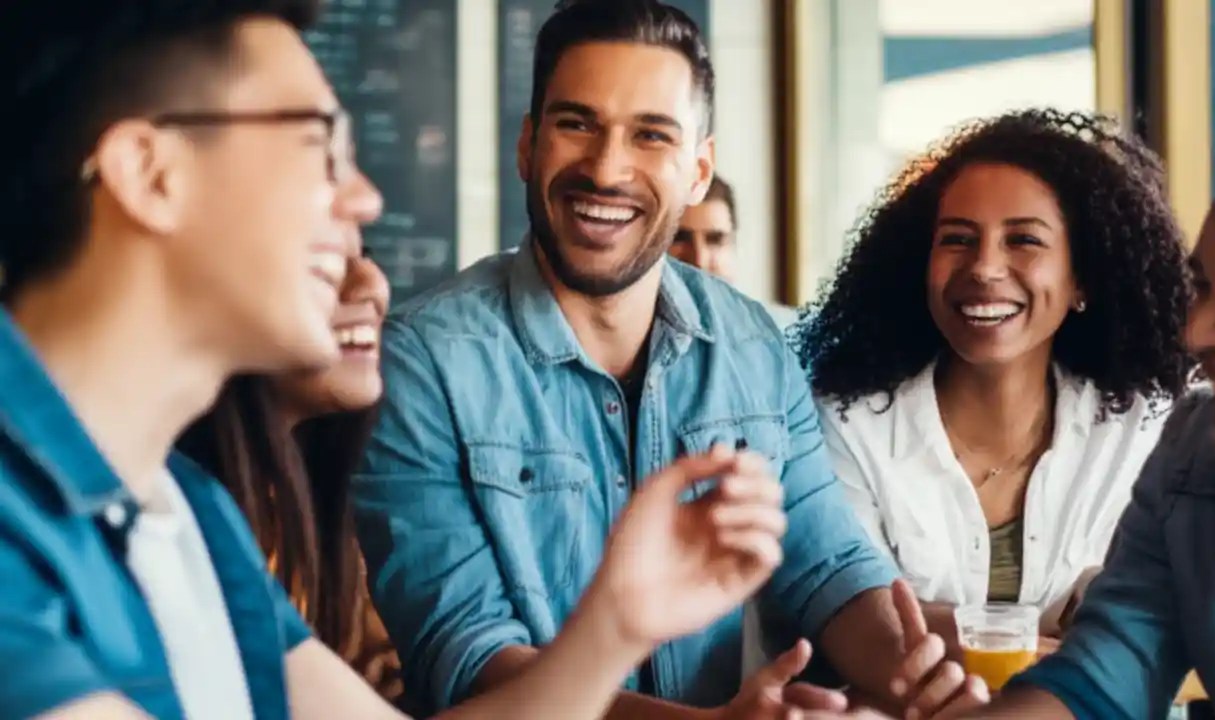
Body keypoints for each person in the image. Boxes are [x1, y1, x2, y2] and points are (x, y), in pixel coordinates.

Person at [0, 2, 790, 719]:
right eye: (319, 146)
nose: (364, 201)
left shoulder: (188, 510)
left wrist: (616, 624)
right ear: (151, 173)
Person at [351, 0, 964, 717]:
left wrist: (911, 671)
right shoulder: (421, 363)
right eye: (577, 124)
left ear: (699, 170)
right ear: (527, 145)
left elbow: (827, 569)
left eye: (651, 135)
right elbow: (468, 656)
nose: (606, 169)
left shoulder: (753, 345)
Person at [842, 96, 1215, 720]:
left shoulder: (1151, 425)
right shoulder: (1192, 458)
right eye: (1203, 286)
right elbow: (1100, 679)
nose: (1198, 330)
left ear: (1084, 279)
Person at [793, 109, 1192, 654]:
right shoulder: (844, 425)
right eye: (957, 239)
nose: (983, 267)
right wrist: (1045, 640)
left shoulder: (1140, 425)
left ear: (1083, 279)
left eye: (1023, 240)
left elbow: (1156, 607)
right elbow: (854, 614)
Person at [178, 246, 404, 699]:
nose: (371, 284)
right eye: (324, 257)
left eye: (365, 251)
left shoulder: (314, 508)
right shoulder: (182, 522)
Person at [670, 175, 797, 328]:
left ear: (734, 244)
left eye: (715, 240)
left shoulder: (784, 334)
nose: (700, 260)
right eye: (680, 238)